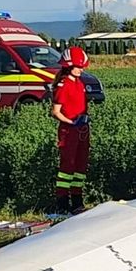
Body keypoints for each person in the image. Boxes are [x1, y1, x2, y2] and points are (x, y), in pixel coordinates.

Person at [51, 46, 91, 214]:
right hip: (69, 131)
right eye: (78, 67)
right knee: (67, 167)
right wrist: (71, 122)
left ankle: (77, 202)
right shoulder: (63, 85)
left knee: (80, 166)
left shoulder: (80, 83)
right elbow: (56, 112)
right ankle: (62, 202)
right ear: (69, 66)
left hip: (82, 129)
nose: (81, 70)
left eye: (82, 67)